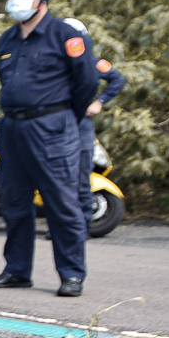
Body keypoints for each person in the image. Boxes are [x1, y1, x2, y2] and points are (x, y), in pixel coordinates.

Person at [0, 0, 99, 297]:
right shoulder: (6, 39)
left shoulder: (65, 34)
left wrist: (64, 116)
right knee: (14, 203)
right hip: (12, 129)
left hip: (52, 127)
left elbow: (88, 82)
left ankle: (72, 274)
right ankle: (17, 270)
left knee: (62, 204)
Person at [63, 17, 126, 225]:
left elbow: (117, 79)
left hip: (81, 125)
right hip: (56, 125)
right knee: (61, 178)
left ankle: (83, 226)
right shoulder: (52, 65)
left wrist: (99, 102)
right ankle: (62, 225)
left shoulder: (91, 62)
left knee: (82, 177)